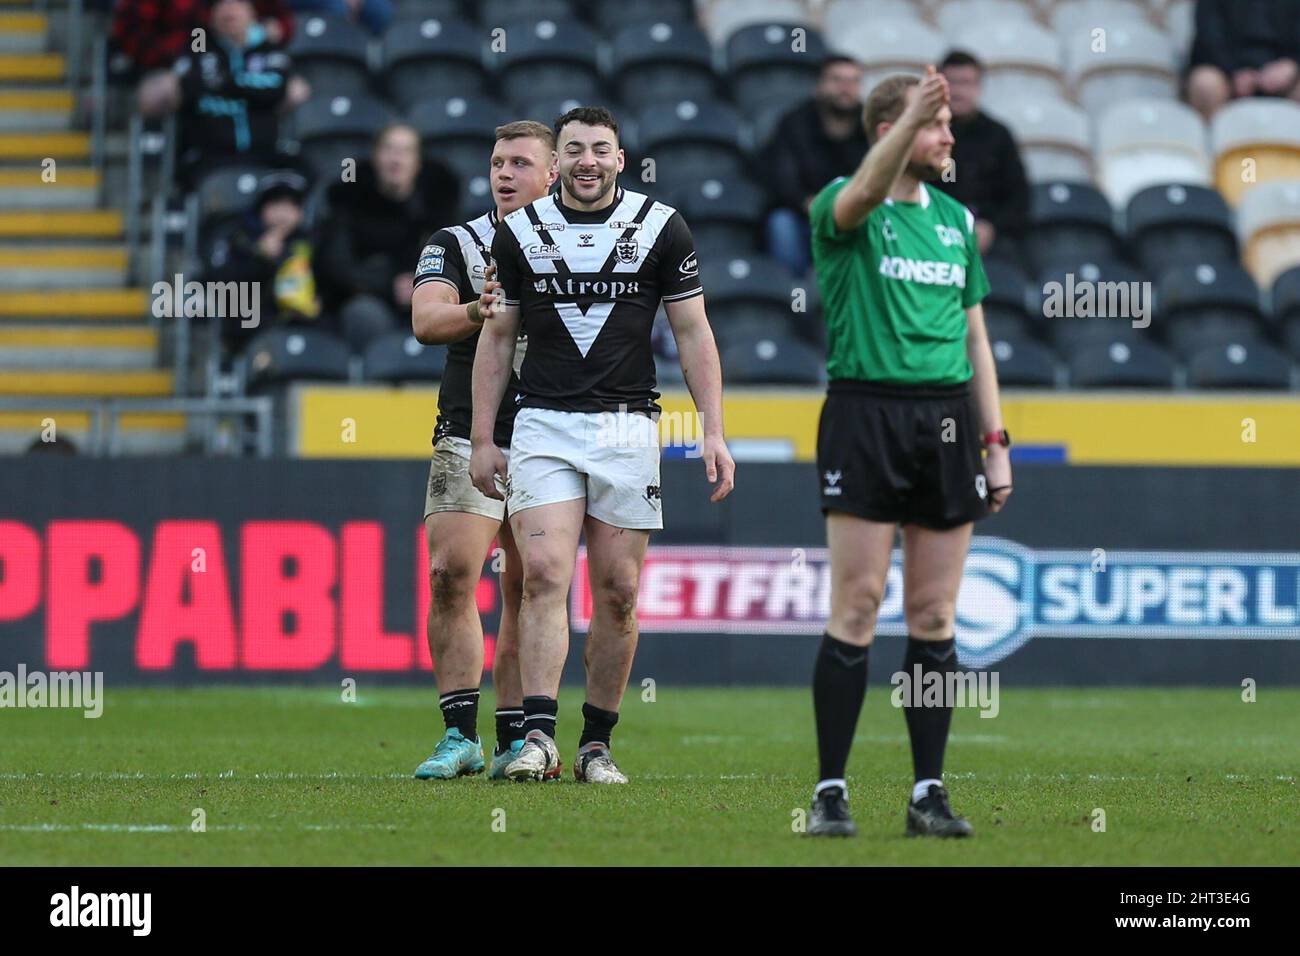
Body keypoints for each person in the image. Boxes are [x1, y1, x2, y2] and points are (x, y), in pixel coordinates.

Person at [468, 106, 735, 784]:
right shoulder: (519, 233)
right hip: (545, 424)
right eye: (575, 150)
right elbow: (496, 339)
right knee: (547, 578)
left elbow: (694, 333)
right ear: (557, 164)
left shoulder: (660, 227)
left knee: (617, 591)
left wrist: (712, 428)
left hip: (627, 428)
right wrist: (480, 438)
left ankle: (596, 745)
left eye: (600, 150)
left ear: (621, 159)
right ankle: (537, 739)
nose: (588, 161)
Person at [804, 68, 1012, 837]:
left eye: (948, 124)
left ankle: (928, 794)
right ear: (892, 132)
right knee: (856, 607)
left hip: (949, 421)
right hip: (866, 414)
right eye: (935, 125)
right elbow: (861, 193)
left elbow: (976, 339)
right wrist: (903, 122)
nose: (948, 137)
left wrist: (996, 442)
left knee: (933, 614)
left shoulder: (956, 221)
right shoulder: (841, 206)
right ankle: (830, 792)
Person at [408, 121, 557, 781]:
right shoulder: (457, 243)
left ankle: (517, 739)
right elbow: (424, 320)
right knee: (450, 576)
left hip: (553, 434)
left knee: (529, 586)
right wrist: (479, 309)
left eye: (521, 162)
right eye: (498, 162)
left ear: (551, 174)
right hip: (469, 428)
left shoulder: (580, 249)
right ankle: (459, 734)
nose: (504, 173)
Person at [316, 123, 460, 351]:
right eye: (389, 150)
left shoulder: (438, 205)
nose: (396, 159)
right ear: (375, 157)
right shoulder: (348, 201)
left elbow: (455, 259)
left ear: (417, 162)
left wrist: (421, 284)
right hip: (367, 296)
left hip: (425, 296)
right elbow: (335, 264)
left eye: (405, 151)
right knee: (363, 314)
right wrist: (387, 285)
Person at [142, 0, 310, 189]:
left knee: (303, 174)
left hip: (263, 153)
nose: (229, 8)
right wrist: (248, 88)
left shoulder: (267, 47)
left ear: (252, 13)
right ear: (211, 16)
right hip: (209, 155)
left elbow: (274, 88)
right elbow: (191, 83)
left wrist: (225, 81)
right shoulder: (200, 41)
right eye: (220, 4)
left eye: (238, 2)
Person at [760, 56, 869, 277]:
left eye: (853, 81)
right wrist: (809, 203)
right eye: (837, 80)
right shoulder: (794, 123)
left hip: (857, 214)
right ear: (819, 86)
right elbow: (780, 178)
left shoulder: (871, 126)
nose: (845, 88)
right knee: (781, 224)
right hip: (803, 215)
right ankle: (792, 293)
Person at [204, 170, 328, 354]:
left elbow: (330, 282)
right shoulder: (239, 239)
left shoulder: (314, 242)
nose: (282, 214)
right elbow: (222, 288)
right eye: (275, 204)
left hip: (306, 324)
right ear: (261, 209)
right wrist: (261, 258)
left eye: (291, 206)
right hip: (253, 329)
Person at [933, 50, 1029, 264]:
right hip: (934, 232)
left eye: (966, 83)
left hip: (991, 237)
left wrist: (991, 227)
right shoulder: (925, 134)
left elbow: (1018, 195)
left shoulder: (998, 134)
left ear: (979, 87)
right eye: (951, 83)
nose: (958, 91)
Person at [1186, 0, 1300, 120]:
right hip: (1225, 70)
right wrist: (1232, 72)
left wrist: (1292, 64)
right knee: (1205, 84)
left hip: (1285, 71)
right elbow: (1208, 35)